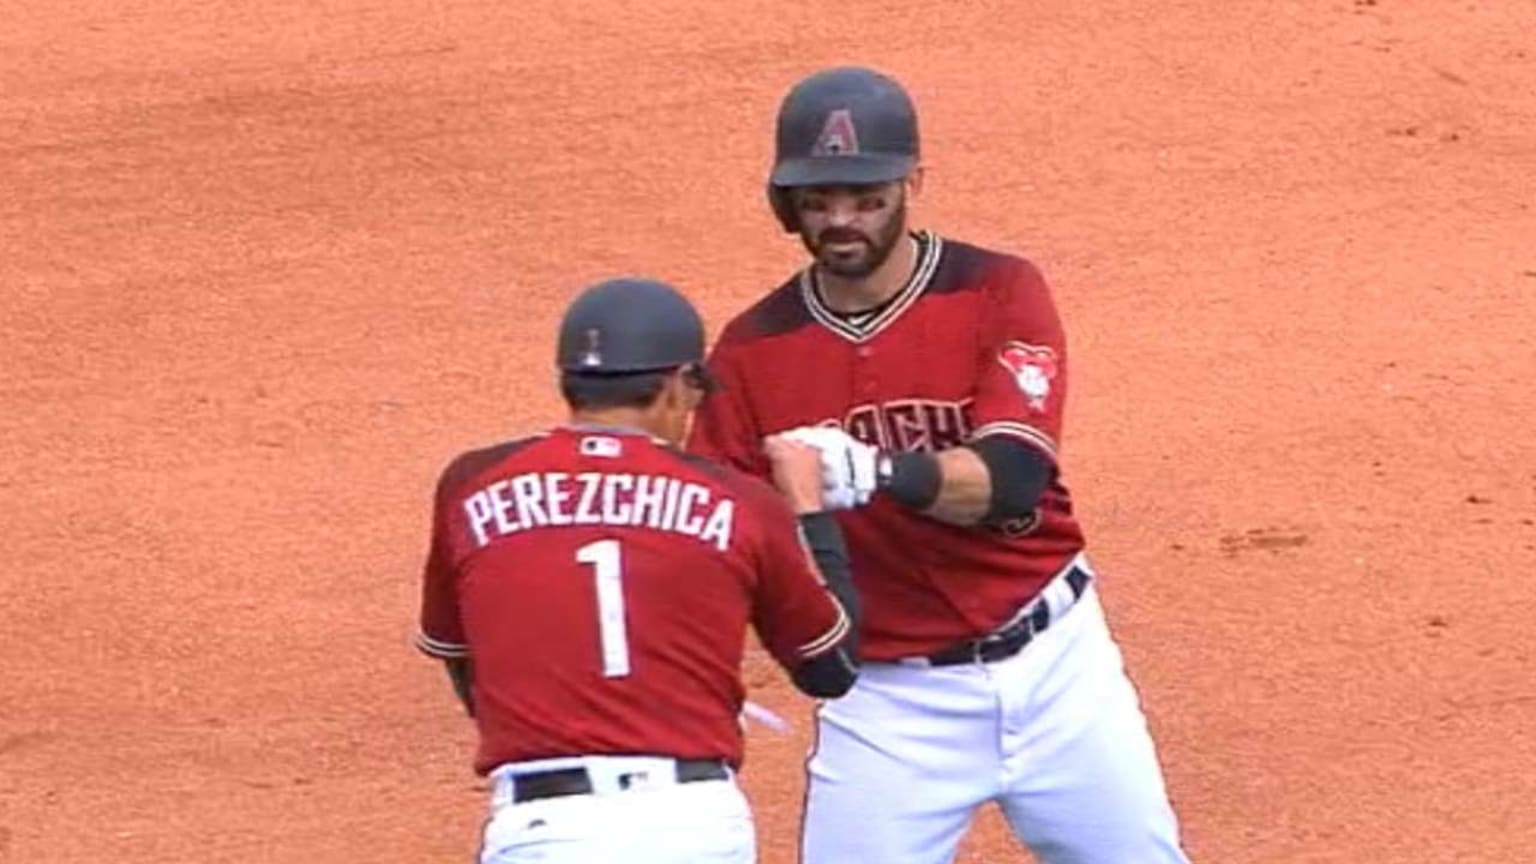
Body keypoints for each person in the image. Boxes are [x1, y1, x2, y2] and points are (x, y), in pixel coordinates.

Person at [686, 66, 1191, 863]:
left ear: (911, 183)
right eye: (819, 201)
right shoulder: (752, 353)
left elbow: (1012, 481)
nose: (842, 218)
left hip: (1057, 667)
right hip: (890, 701)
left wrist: (877, 475)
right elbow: (713, 532)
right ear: (787, 204)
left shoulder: (998, 291)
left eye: (867, 197)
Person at [415, 277, 860, 864]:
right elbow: (831, 668)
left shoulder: (473, 483)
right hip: (694, 822)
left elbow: (460, 654)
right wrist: (809, 513)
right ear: (677, 386)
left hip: (546, 825)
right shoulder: (739, 500)